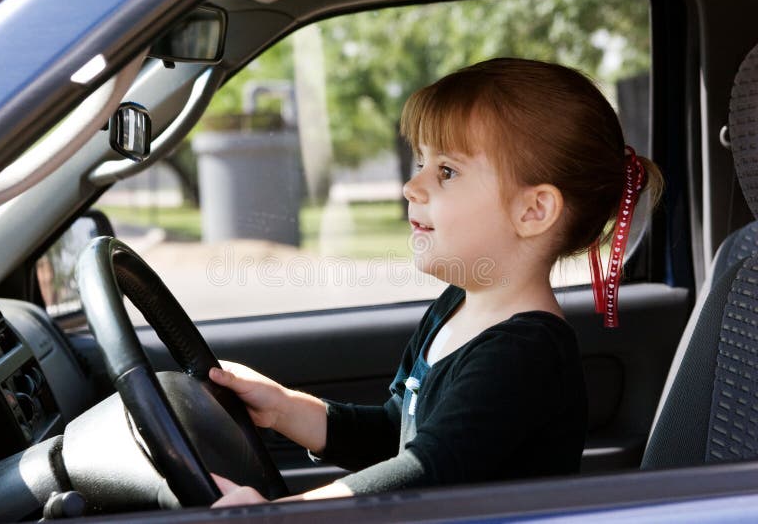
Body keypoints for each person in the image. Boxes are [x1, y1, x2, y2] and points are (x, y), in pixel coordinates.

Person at [207, 57, 664, 507]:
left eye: (446, 171)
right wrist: (284, 407)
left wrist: (279, 516)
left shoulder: (526, 354)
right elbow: (397, 436)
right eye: (420, 162)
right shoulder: (455, 306)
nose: (412, 185)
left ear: (534, 211)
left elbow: (426, 471)